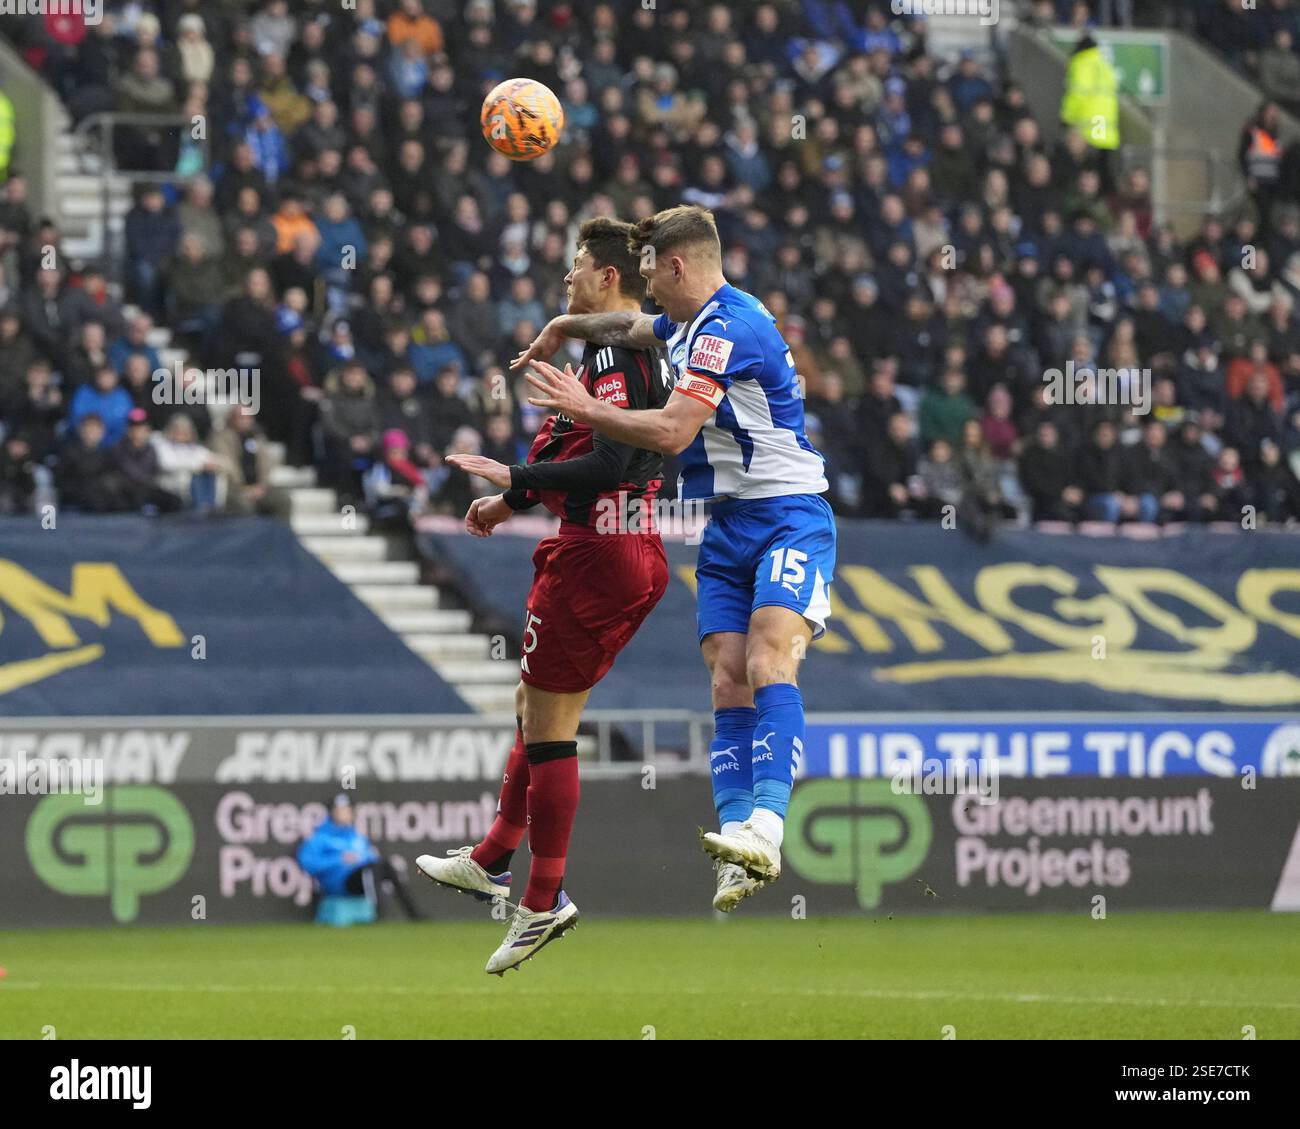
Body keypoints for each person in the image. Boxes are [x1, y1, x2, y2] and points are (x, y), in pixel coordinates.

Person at [516, 204, 836, 913]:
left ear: (679, 264)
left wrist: (585, 406)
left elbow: (668, 430)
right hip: (725, 527)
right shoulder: (684, 324)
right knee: (726, 679)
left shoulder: (728, 326)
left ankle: (769, 827)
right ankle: (736, 845)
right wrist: (565, 326)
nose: (645, 284)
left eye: (651, 270)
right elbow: (627, 326)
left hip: (788, 515)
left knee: (767, 659)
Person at [415, 218, 670, 974]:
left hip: (601, 551)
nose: (567, 280)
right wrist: (511, 503)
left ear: (609, 279)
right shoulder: (604, 349)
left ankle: (542, 897)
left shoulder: (618, 353)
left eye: (577, 269)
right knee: (536, 710)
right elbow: (579, 450)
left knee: (551, 726)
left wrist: (514, 481)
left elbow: (608, 460)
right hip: (609, 545)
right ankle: (495, 855)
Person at [297, 794, 420, 921]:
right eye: (340, 810)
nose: (345, 814)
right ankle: (378, 914)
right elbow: (307, 863)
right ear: (332, 813)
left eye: (348, 810)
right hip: (339, 883)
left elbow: (370, 857)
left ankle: (414, 913)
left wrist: (364, 859)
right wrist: (339, 860)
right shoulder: (320, 837)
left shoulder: (356, 836)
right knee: (370, 872)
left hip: (362, 876)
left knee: (385, 866)